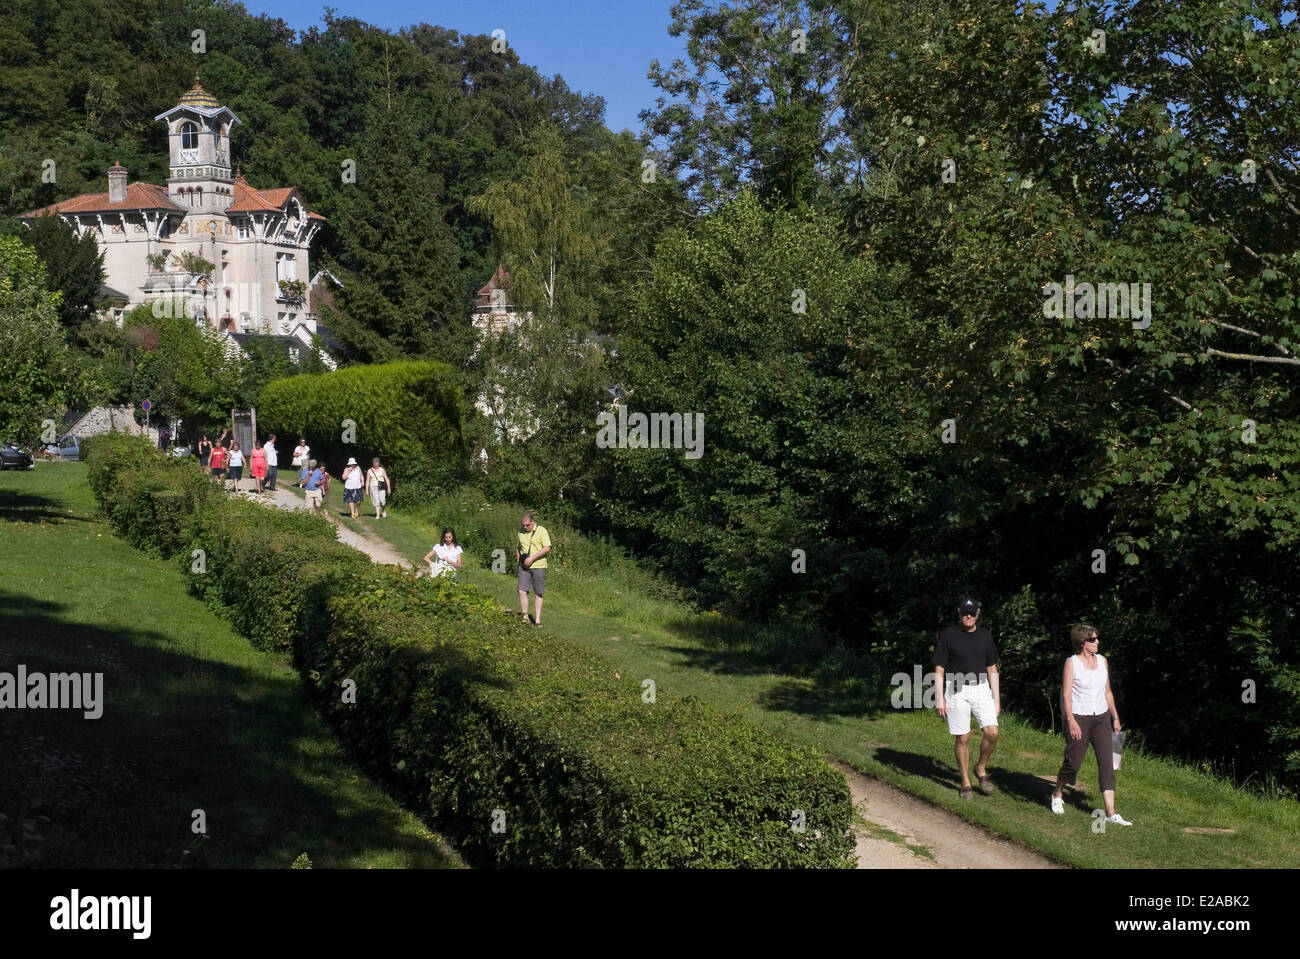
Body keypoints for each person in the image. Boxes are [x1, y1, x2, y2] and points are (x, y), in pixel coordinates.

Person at [1050, 625, 1131, 825]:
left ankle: (1111, 813)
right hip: (1079, 718)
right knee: (1073, 763)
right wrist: (1071, 721)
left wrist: (1116, 717)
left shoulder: (1103, 661)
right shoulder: (1072, 663)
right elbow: (1067, 695)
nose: (1098, 642)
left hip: (1102, 719)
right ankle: (1057, 792)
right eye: (1093, 639)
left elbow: (1108, 692)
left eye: (1097, 639)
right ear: (1083, 643)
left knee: (1108, 764)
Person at [933, 598, 1001, 800]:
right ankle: (965, 783)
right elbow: (939, 668)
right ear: (959, 613)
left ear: (977, 614)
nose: (968, 616)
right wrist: (939, 698)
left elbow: (992, 668)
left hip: (981, 689)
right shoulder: (948, 636)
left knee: (992, 732)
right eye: (965, 613)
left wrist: (996, 699)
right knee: (963, 737)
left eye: (971, 613)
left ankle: (980, 768)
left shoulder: (985, 636)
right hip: (956, 690)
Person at [517, 511, 552, 628]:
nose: (525, 527)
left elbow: (547, 548)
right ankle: (525, 616)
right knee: (522, 591)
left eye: (527, 525)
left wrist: (532, 558)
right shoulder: (520, 532)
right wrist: (518, 562)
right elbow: (519, 547)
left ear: (532, 522)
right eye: (523, 525)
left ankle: (537, 619)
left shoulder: (542, 531)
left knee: (538, 593)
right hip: (524, 567)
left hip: (539, 566)